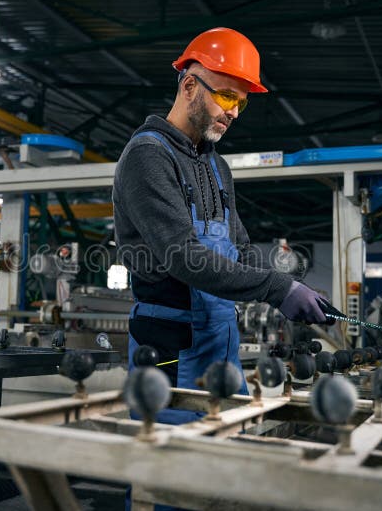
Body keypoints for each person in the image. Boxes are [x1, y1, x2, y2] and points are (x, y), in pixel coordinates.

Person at [113, 27, 334, 425]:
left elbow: (240, 247)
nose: (234, 111)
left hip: (220, 340)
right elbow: (184, 257)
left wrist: (293, 291)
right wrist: (276, 289)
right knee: (167, 470)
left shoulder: (216, 164)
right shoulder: (148, 156)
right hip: (170, 344)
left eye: (242, 103)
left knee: (227, 457)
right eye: (227, 96)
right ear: (190, 86)